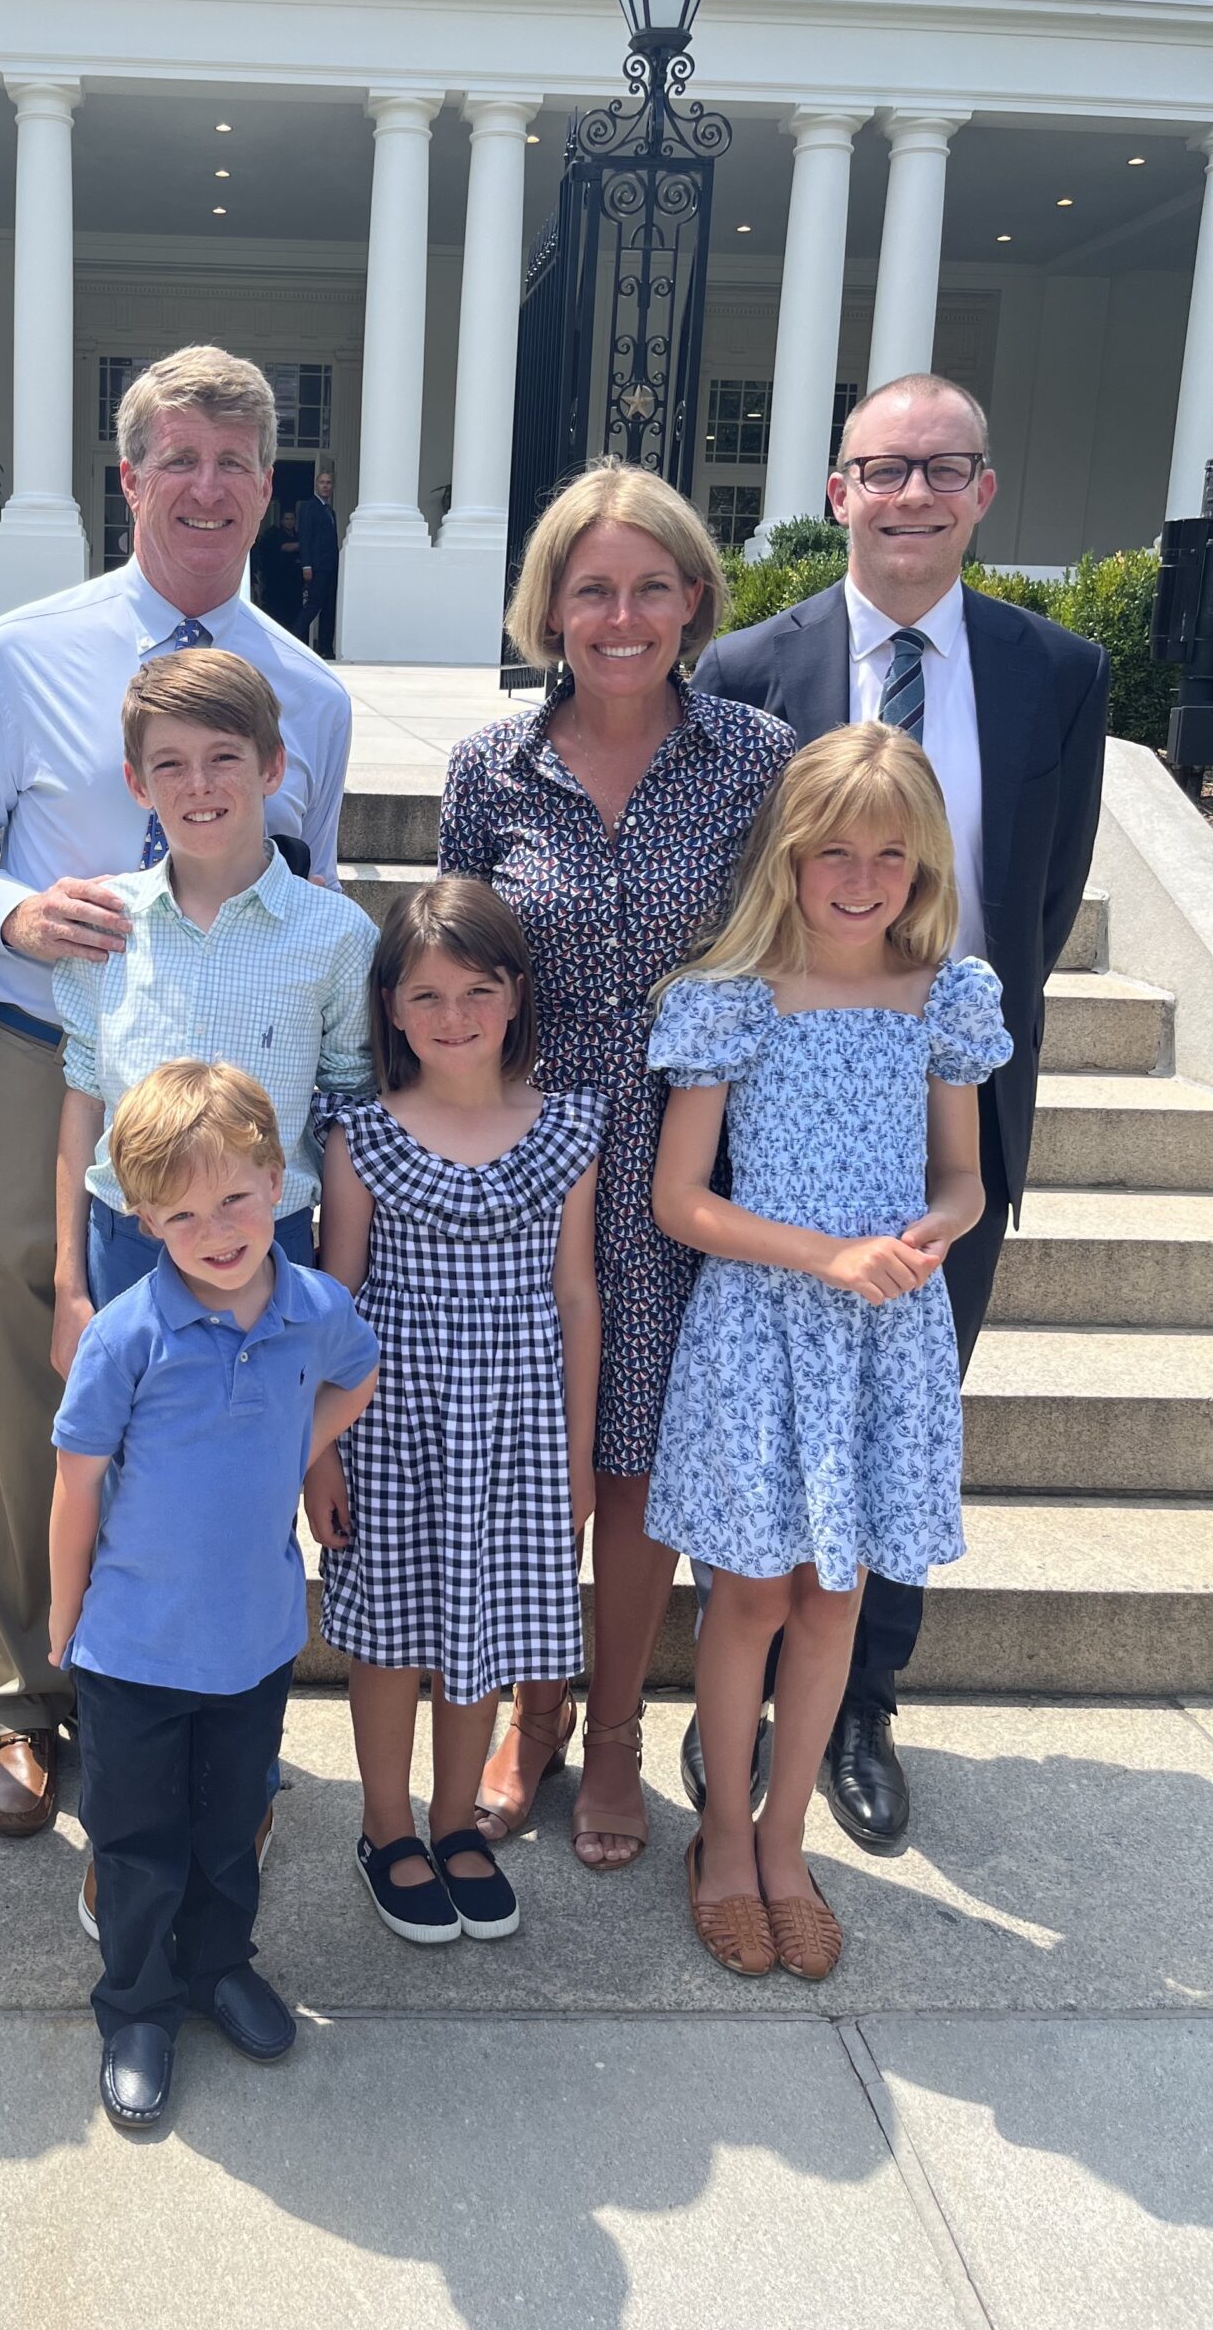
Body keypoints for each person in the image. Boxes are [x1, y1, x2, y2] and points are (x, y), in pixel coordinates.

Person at [0, 346, 353, 1843]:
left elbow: (312, 896)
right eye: (179, 459)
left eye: (236, 463)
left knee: (221, 1402)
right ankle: (30, 1696)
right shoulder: (22, 655)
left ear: (269, 487)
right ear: (129, 477)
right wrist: (12, 912)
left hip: (243, 1123)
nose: (207, 489)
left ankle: (203, 1693)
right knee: (43, 1387)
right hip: (54, 1066)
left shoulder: (308, 693)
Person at [689, 372, 1109, 1850]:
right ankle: (736, 1700)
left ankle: (860, 1699)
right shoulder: (747, 668)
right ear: (838, 492)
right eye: (885, 468)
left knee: (904, 1419)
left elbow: (1041, 899)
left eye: (944, 468)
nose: (913, 493)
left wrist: (954, 1062)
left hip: (948, 1109)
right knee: (761, 1443)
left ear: (983, 491)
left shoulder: (1059, 672)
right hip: (775, 1128)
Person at [440, 462, 792, 1869]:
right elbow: (453, 967)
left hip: (685, 1163)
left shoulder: (757, 759)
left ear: (696, 600)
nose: (624, 615)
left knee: (636, 1465)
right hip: (525, 1161)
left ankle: (622, 1734)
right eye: (593, 589)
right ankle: (535, 1718)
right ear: (551, 608)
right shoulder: (489, 768)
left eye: (652, 586)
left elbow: (799, 953)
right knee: (537, 1453)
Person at [645, 725, 1010, 1977]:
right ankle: (721, 1841)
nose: (862, 880)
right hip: (761, 1330)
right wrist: (824, 1254)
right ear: (790, 857)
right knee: (750, 1591)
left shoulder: (943, 997)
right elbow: (680, 1200)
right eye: (835, 853)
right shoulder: (732, 997)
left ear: (925, 866)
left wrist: (934, 1228)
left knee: (834, 1594)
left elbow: (963, 1176)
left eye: (891, 857)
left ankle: (786, 1838)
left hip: (884, 1339)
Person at [51, 643, 376, 1933]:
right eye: (171, 766)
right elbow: (81, 1098)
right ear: (137, 782)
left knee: (243, 1511)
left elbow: (343, 1120)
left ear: (274, 768)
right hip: (131, 1249)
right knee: (134, 1510)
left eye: (224, 760)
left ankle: (240, 1780)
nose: (200, 787)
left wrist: (328, 1302)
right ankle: (126, 1808)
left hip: (270, 1254)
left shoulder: (331, 935)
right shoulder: (105, 926)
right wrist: (67, 1278)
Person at [49, 1061, 378, 2128]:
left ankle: (219, 1964)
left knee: (232, 1825)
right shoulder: (125, 1336)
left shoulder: (313, 1307)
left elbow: (359, 1370)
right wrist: (62, 1614)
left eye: (236, 1198)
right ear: (144, 1220)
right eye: (183, 1214)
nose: (218, 1230)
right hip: (134, 1649)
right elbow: (75, 1484)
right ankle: (138, 2003)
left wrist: (299, 1446)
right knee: (137, 1839)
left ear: (279, 1181)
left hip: (254, 1640)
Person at [310, 880, 604, 1945]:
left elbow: (577, 1296)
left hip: (518, 1427)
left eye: (477, 990)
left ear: (516, 995)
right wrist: (319, 1454)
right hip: (392, 1424)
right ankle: (386, 1825)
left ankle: (453, 1821)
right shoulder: (361, 1137)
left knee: (483, 1630)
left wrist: (577, 1457)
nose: (454, 1015)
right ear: (391, 1007)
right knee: (390, 1634)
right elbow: (335, 1299)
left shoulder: (566, 1127)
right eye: (427, 995)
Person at [297, 468, 340, 659]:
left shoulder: (330, 511)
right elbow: (305, 537)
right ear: (316, 485)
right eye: (322, 482)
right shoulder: (309, 507)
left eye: (328, 483)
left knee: (329, 608)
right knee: (313, 605)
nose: (325, 486)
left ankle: (326, 648)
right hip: (317, 567)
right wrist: (306, 565)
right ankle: (294, 638)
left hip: (330, 567)